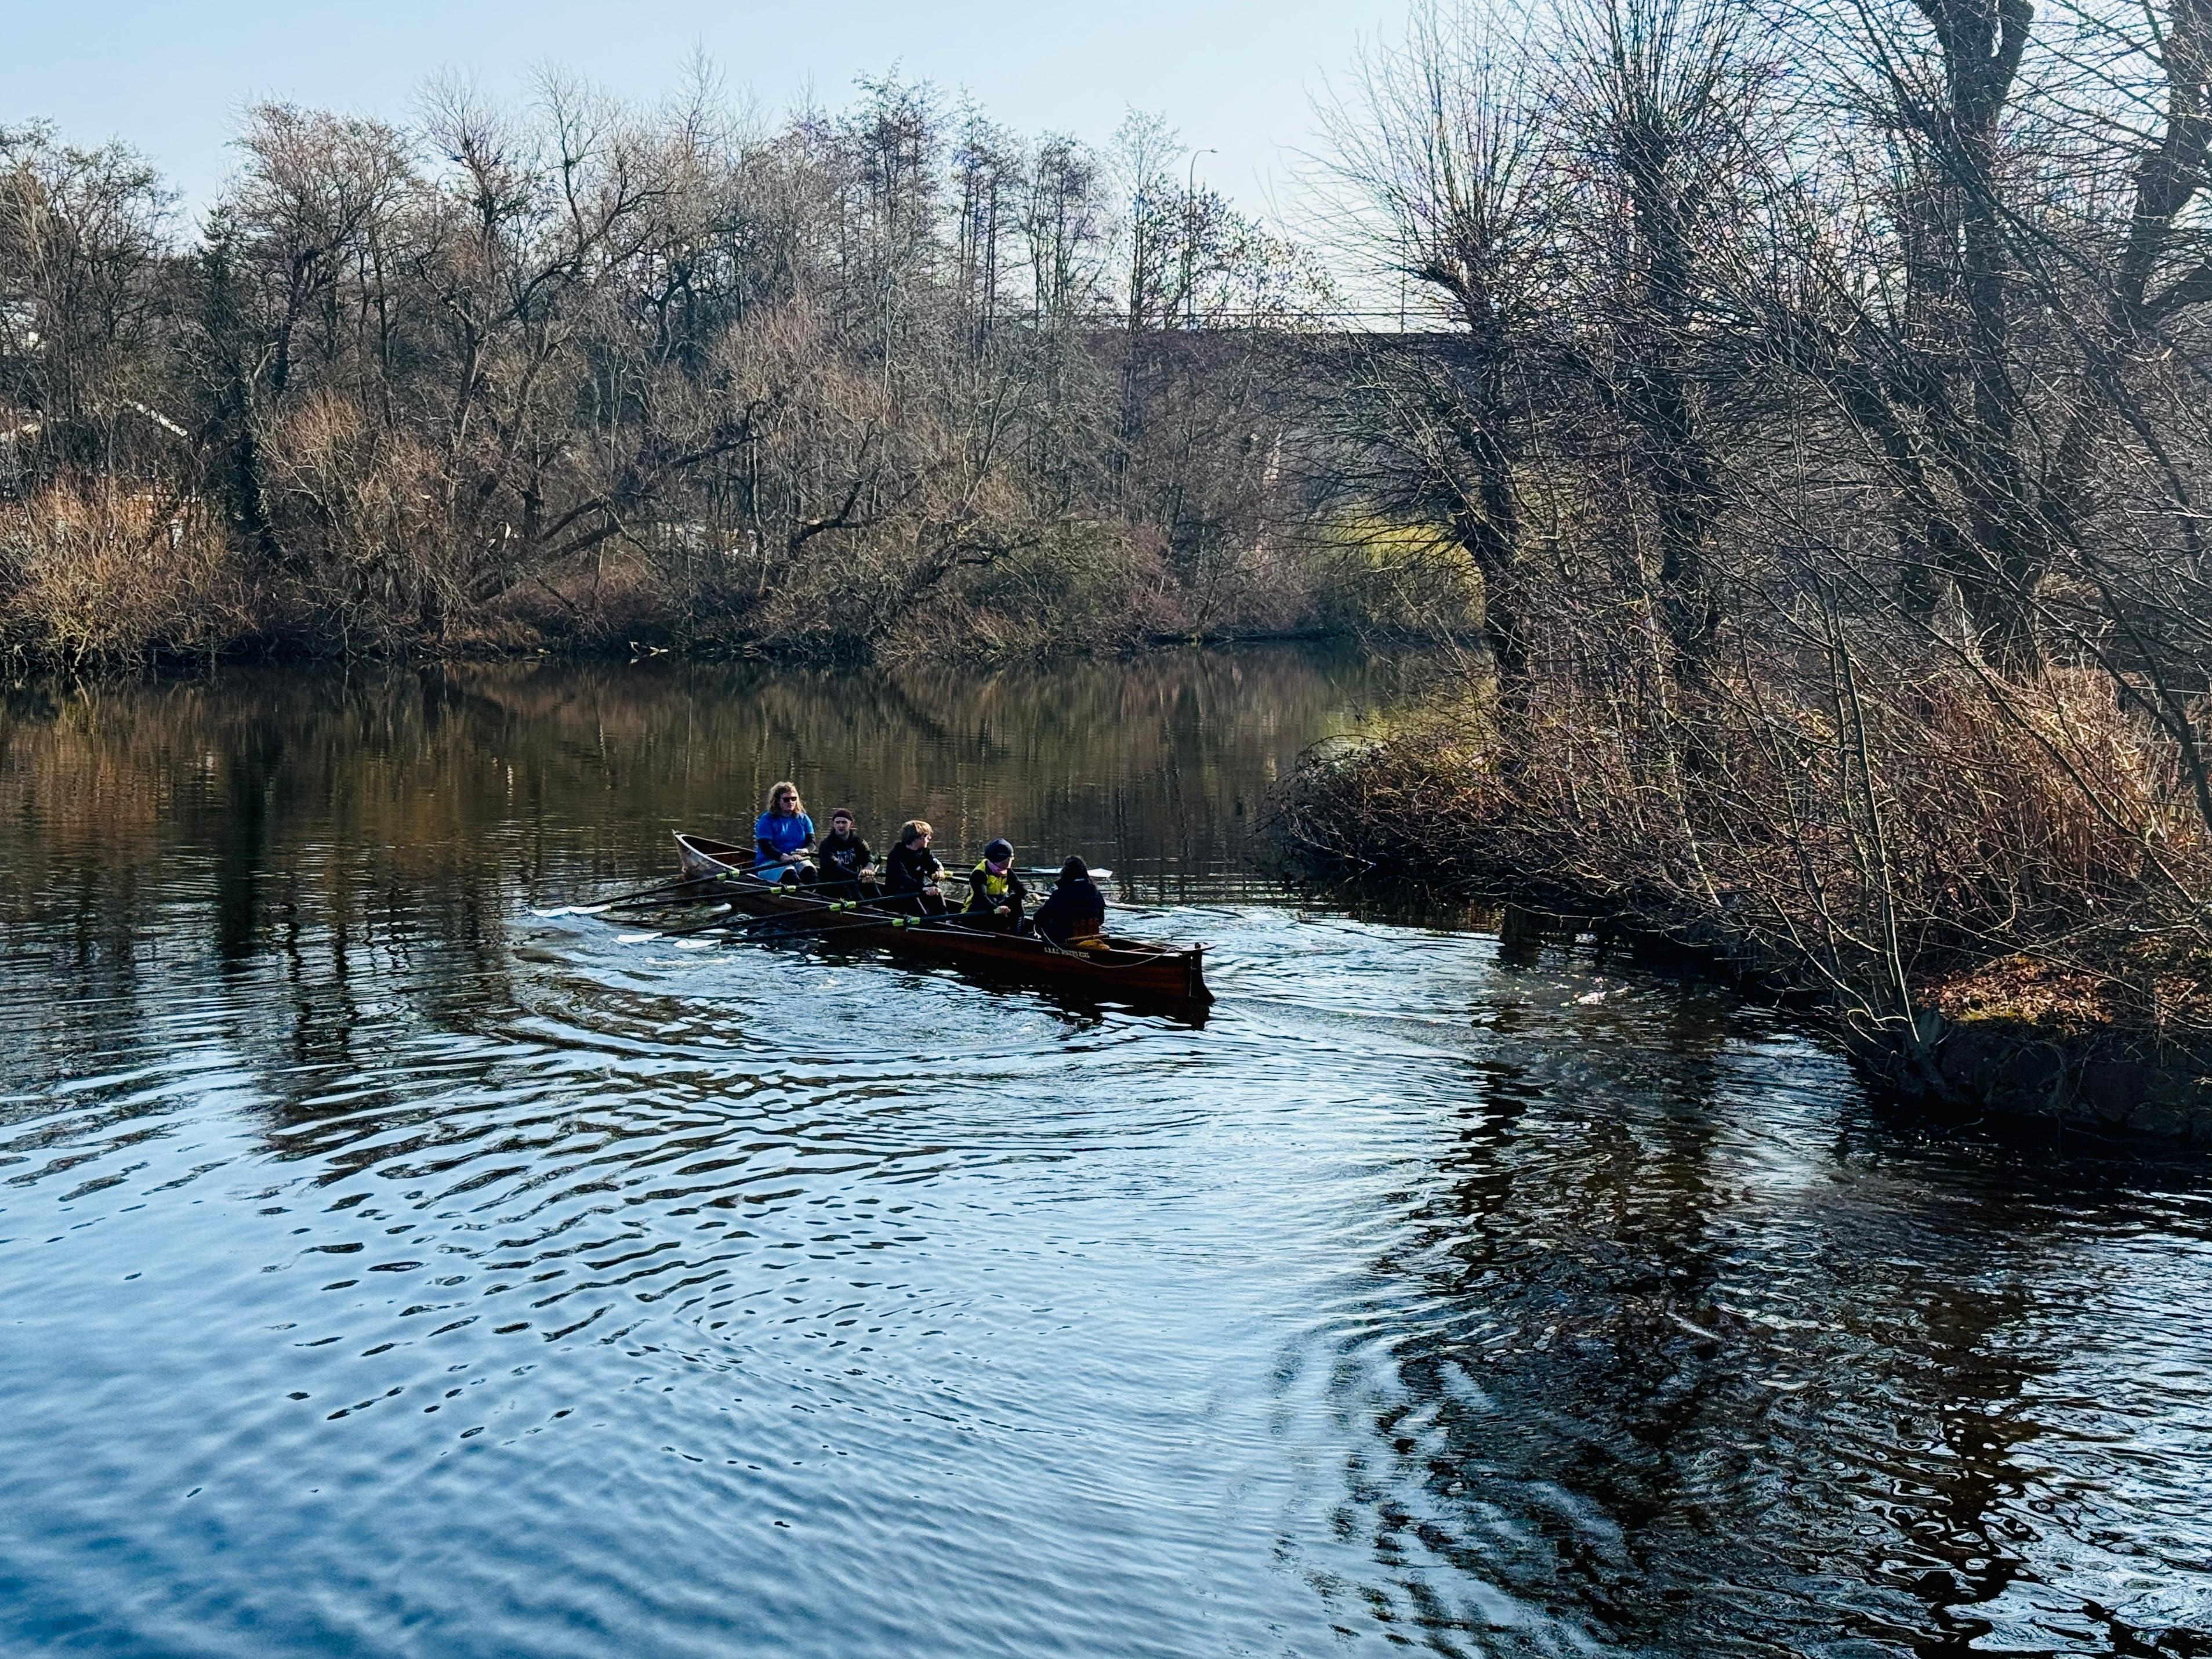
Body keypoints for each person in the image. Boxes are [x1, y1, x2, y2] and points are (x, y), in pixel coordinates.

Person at [1031, 856, 1106, 946]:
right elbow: (1101, 920)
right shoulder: (1096, 893)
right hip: (1090, 938)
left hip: (1063, 939)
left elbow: (1039, 918)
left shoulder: (1060, 894)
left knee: (1037, 929)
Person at [752, 781, 815, 883]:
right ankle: (800, 895)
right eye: (786, 799)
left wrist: (806, 850)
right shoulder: (767, 820)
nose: (790, 802)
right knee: (790, 875)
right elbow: (766, 847)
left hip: (797, 859)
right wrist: (783, 857)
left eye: (794, 799)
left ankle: (815, 894)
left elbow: (811, 843)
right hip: (770, 862)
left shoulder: (804, 819)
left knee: (810, 872)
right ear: (778, 801)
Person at [883, 820, 948, 914]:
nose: (929, 838)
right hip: (897, 896)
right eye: (926, 836)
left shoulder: (925, 852)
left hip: (917, 891)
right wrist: (923, 888)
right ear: (916, 838)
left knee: (935, 890)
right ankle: (925, 923)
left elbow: (934, 865)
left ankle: (944, 920)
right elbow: (904, 879)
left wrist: (938, 872)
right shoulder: (896, 855)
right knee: (910, 894)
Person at [963, 838, 1028, 930]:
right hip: (977, 912)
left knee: (1016, 899)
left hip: (998, 908)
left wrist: (1027, 895)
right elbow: (981, 898)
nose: (1013, 860)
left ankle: (1017, 933)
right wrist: (996, 909)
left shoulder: (1007, 871)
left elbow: (1018, 886)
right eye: (1010, 858)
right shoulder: (980, 873)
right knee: (993, 900)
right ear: (1001, 860)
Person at [814, 808, 875, 893]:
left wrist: (868, 871)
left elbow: (869, 860)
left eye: (844, 822)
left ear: (851, 824)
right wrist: (857, 876)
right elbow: (835, 867)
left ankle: (882, 905)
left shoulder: (859, 843)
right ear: (834, 824)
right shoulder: (826, 844)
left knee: (872, 884)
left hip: (854, 880)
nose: (841, 826)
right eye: (838, 823)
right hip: (832, 884)